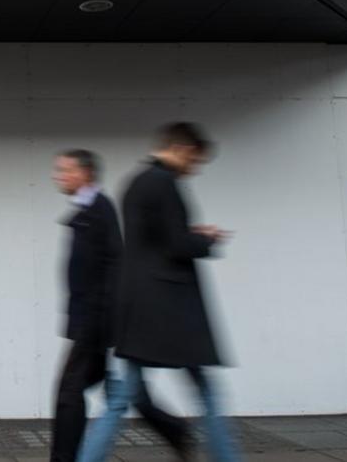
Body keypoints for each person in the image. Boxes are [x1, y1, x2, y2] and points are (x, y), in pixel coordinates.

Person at [78, 122, 240, 462]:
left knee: (122, 399)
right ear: (182, 149)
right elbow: (177, 245)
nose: (193, 170)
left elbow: (154, 240)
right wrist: (206, 239)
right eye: (194, 161)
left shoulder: (136, 182)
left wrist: (187, 234)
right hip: (170, 311)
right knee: (207, 392)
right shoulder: (164, 183)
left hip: (141, 309)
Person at [49, 150, 190, 462]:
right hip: (92, 321)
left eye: (65, 170)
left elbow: (115, 266)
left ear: (84, 174)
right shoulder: (88, 210)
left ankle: (63, 459)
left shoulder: (99, 209)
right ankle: (172, 429)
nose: (58, 175)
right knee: (121, 390)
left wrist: (100, 324)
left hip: (94, 323)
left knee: (68, 394)